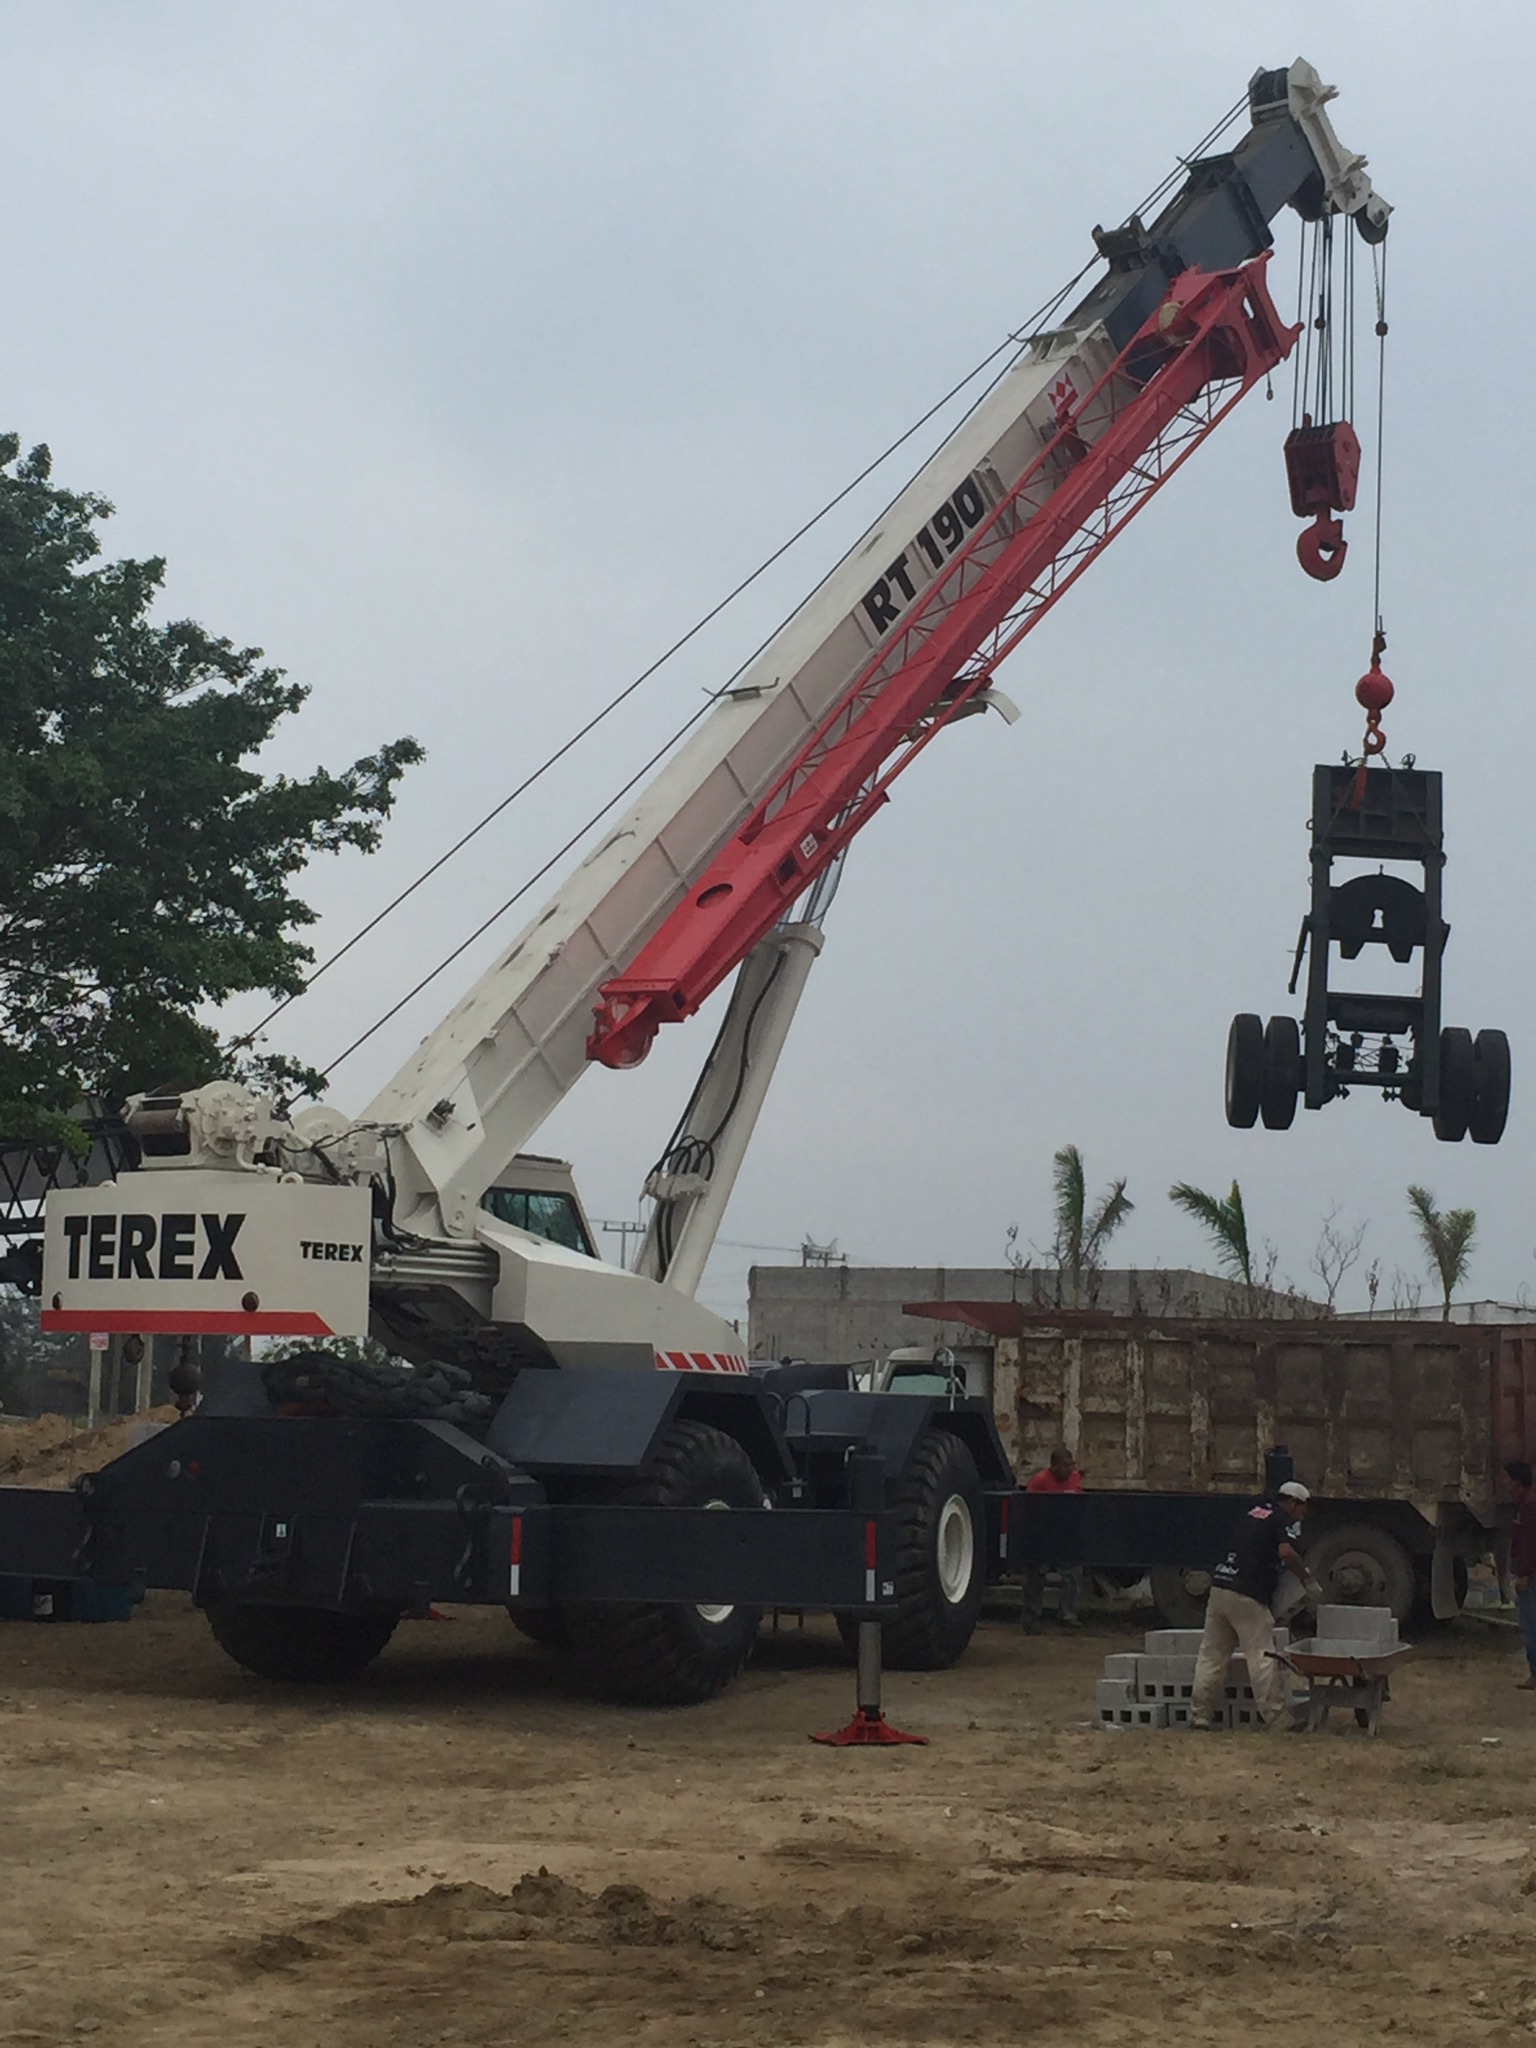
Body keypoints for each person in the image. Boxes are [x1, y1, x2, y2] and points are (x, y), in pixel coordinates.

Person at [1190, 1480, 1320, 1731]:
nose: (1301, 1517)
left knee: (1211, 1655)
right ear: (1293, 1503)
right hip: (1247, 1594)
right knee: (1261, 1654)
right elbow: (1286, 1552)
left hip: (1219, 1587)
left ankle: (1200, 1716)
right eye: (1302, 1511)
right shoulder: (1281, 1518)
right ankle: (1277, 1719)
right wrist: (1306, 1579)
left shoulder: (1253, 1513)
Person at [1021, 1447, 1084, 1631]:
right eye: (1065, 1466)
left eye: (1071, 1465)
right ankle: (1031, 1618)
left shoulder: (1074, 1479)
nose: (1069, 1470)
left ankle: (1068, 1615)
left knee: (1073, 1572)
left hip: (1065, 1536)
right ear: (1054, 1467)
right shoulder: (1040, 1481)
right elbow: (1027, 1510)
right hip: (1042, 1536)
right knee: (1035, 1576)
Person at [1506, 1459, 1536, 1691]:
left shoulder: (1528, 1506)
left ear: (1516, 1481)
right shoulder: (1526, 1503)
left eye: (1509, 1480)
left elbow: (1528, 1544)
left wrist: (1524, 1574)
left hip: (1531, 1574)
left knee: (1530, 1624)